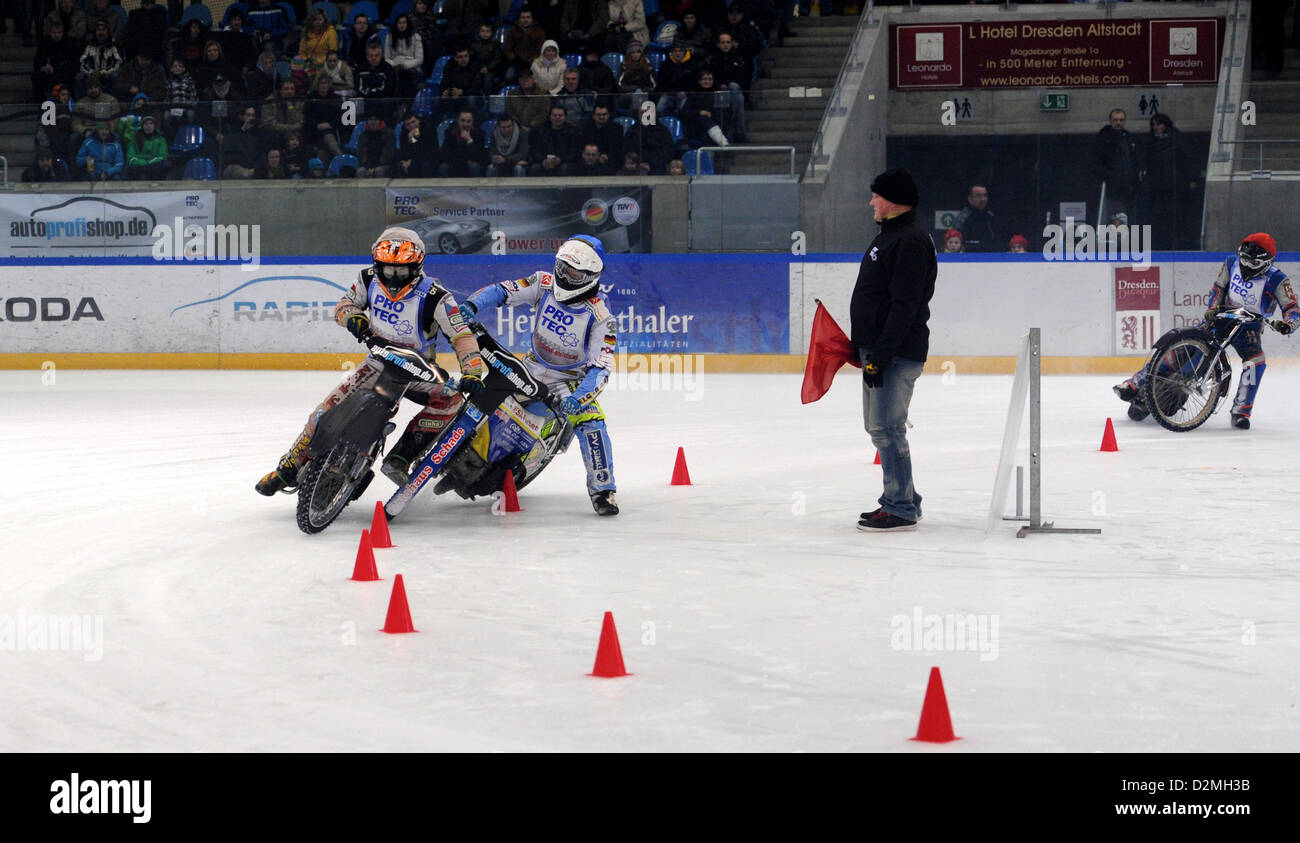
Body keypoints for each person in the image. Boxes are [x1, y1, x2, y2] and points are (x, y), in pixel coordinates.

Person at [258, 227, 487, 496]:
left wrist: (472, 372)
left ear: (417, 266)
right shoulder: (367, 279)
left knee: (453, 400)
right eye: (386, 270)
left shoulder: (438, 297)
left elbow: (462, 336)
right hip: (376, 363)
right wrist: (352, 317)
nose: (392, 277)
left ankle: (402, 456)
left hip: (419, 371)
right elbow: (345, 304)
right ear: (377, 265)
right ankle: (288, 468)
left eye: (401, 272)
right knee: (322, 412)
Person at [457, 235, 621, 515]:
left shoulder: (601, 316)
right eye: (562, 268)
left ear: (590, 276)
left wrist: (579, 399)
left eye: (573, 273)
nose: (564, 277)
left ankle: (603, 490)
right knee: (481, 396)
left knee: (592, 424)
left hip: (569, 380)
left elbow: (600, 369)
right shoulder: (543, 282)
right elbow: (502, 290)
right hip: (531, 366)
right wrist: (472, 305)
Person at [1113, 233, 1299, 430]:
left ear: (1265, 261)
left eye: (1251, 261)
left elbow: (1293, 309)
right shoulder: (1231, 263)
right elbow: (1218, 288)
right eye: (1243, 258)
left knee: (1256, 362)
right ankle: (1135, 383)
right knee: (1181, 347)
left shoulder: (1278, 280)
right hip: (1221, 317)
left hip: (1248, 327)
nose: (1244, 264)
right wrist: (1212, 308)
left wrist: (1288, 324)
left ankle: (1241, 411)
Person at [851, 168, 937, 532]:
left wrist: (882, 356)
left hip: (895, 353)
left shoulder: (910, 241)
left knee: (888, 429)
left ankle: (899, 506)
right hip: (881, 351)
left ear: (893, 200)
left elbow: (905, 304)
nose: (871, 201)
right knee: (881, 428)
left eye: (876, 196)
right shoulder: (890, 236)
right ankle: (904, 498)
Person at [1095, 108, 1141, 226]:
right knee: (1116, 220)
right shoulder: (1104, 139)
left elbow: (1133, 159)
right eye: (1115, 120)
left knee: (1126, 219)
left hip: (1128, 185)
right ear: (1110, 121)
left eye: (1121, 120)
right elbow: (1097, 162)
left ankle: (1126, 242)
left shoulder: (1128, 138)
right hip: (1114, 186)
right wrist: (1111, 177)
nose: (1118, 123)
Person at [952, 183, 997, 252]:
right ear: (970, 199)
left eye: (984, 195)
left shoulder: (991, 216)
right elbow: (957, 243)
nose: (982, 199)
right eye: (978, 196)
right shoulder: (963, 218)